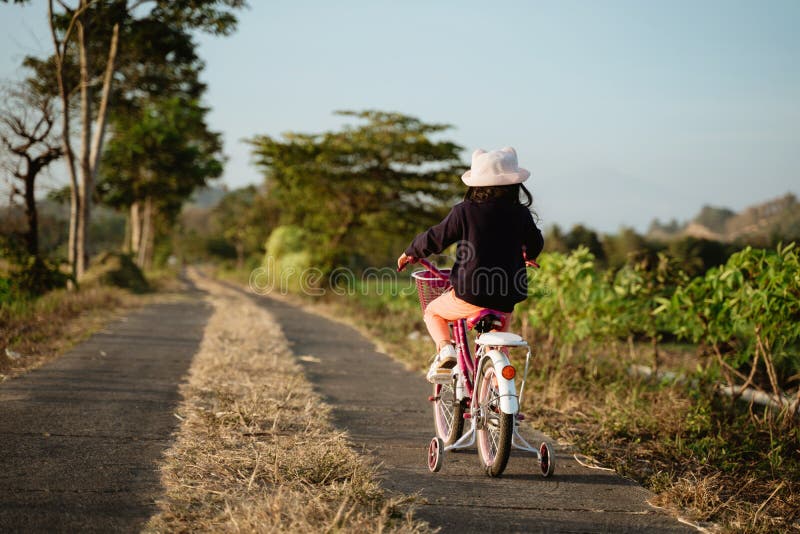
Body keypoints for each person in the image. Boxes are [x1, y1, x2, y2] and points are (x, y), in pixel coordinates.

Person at [397, 147, 543, 382]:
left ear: (476, 184)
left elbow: (436, 238)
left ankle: (446, 350)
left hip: (469, 295)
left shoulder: (463, 212)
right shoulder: (520, 214)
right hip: (507, 296)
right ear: (515, 185)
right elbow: (535, 242)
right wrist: (529, 254)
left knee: (433, 311)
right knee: (498, 346)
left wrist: (411, 252)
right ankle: (499, 406)